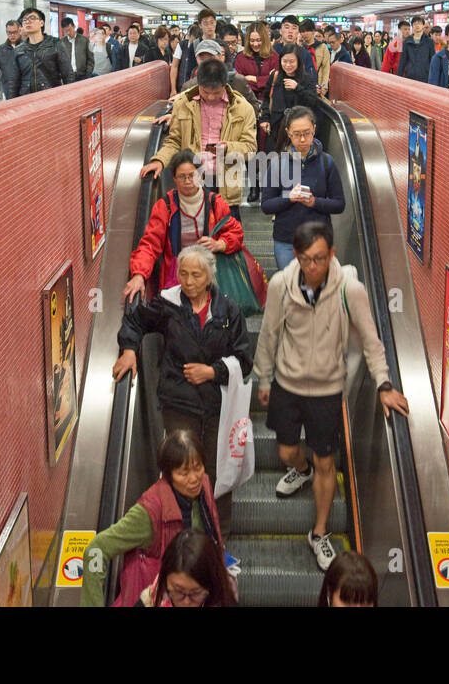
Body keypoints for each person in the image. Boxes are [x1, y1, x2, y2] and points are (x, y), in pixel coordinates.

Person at [255, 222, 409, 572]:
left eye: (321, 258)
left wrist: (383, 384)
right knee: (286, 451)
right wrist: (264, 378)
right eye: (307, 259)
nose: (314, 267)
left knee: (327, 461)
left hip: (326, 390)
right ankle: (300, 469)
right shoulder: (280, 286)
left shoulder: (349, 290)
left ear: (333, 254)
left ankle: (319, 533)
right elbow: (267, 334)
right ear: (296, 256)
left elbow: (371, 341)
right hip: (287, 384)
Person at [113, 244, 253, 530]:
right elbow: (135, 320)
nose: (189, 282)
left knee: (215, 467)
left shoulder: (228, 310)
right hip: (179, 401)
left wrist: (212, 372)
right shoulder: (168, 305)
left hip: (218, 403)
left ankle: (218, 531)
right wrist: (128, 349)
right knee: (183, 467)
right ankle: (181, 529)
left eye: (197, 275)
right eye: (184, 274)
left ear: (210, 276)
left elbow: (244, 359)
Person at [81, 430, 228, 607]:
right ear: (168, 475)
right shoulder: (149, 511)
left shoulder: (203, 485)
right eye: (183, 472)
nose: (194, 478)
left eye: (198, 468)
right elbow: (95, 550)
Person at [144, 54, 257, 217]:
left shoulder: (242, 108)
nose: (211, 97)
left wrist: (228, 148)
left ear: (225, 85)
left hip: (225, 184)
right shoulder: (183, 103)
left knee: (228, 237)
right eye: (205, 91)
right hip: (193, 182)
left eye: (216, 92)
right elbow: (174, 140)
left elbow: (250, 148)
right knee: (193, 237)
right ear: (199, 84)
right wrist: (159, 160)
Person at [124, 148, 244, 301]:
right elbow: (150, 244)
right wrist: (139, 275)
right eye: (182, 177)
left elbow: (236, 232)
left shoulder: (215, 203)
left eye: (192, 175)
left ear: (200, 175)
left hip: (210, 276)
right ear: (174, 178)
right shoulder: (165, 206)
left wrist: (219, 244)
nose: (187, 181)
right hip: (177, 278)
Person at [262, 107, 345, 272]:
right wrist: (289, 198)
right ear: (288, 133)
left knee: (317, 289)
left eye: (306, 133)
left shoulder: (326, 162)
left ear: (314, 129)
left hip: (318, 238)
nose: (302, 139)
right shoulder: (278, 163)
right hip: (286, 239)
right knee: (290, 287)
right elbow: (266, 205)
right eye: (296, 134)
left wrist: (314, 202)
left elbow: (339, 204)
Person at [266, 45, 319, 150]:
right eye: (284, 61)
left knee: (295, 162)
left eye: (292, 62)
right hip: (276, 128)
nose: (288, 65)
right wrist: (265, 119)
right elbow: (266, 98)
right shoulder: (275, 77)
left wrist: (298, 88)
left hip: (298, 131)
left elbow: (313, 101)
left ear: (299, 61)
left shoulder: (307, 79)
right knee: (275, 160)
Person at [8, 7, 71, 95]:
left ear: (42, 23)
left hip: (51, 97)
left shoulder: (55, 44)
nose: (27, 21)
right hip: (26, 99)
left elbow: (68, 76)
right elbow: (13, 82)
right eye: (24, 20)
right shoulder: (18, 50)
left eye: (32, 18)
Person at [234, 21, 274, 104]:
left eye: (259, 40)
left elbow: (275, 80)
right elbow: (240, 83)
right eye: (252, 40)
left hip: (270, 101)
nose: (255, 44)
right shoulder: (240, 57)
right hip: (246, 102)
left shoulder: (274, 56)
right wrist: (265, 80)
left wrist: (253, 79)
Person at [275, 15, 317, 81]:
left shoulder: (305, 54)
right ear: (280, 31)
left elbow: (312, 79)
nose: (290, 31)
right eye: (287, 27)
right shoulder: (273, 51)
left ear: (298, 32)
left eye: (294, 28)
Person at [397, 16, 436, 83]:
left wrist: (434, 78)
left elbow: (433, 60)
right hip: (410, 76)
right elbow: (402, 61)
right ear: (412, 26)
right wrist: (398, 77)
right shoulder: (407, 41)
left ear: (423, 26)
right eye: (415, 24)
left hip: (425, 77)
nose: (417, 25)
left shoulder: (429, 41)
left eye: (419, 23)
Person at [300, 19, 330, 96]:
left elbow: (326, 68)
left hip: (319, 85)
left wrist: (324, 86)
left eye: (307, 31)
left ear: (313, 31)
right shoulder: (299, 48)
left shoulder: (322, 47)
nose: (304, 34)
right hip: (303, 86)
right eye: (302, 31)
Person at [0, 19, 22, 98]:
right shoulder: (0, 49)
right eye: (9, 33)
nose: (12, 35)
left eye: (14, 32)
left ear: (19, 31)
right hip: (8, 87)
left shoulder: (26, 47)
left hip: (23, 86)